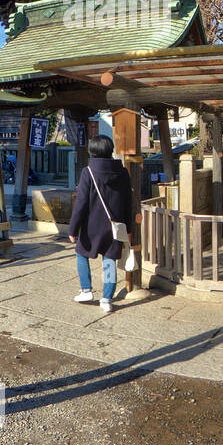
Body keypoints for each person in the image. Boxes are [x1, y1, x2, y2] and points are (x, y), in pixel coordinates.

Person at [70, 134, 138, 314]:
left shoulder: (89, 172)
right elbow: (127, 201)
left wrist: (73, 228)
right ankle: (107, 299)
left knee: (81, 253)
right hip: (115, 225)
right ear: (109, 150)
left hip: (91, 225)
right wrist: (128, 228)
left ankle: (86, 290)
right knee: (109, 260)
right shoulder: (123, 172)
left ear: (92, 151)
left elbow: (82, 202)